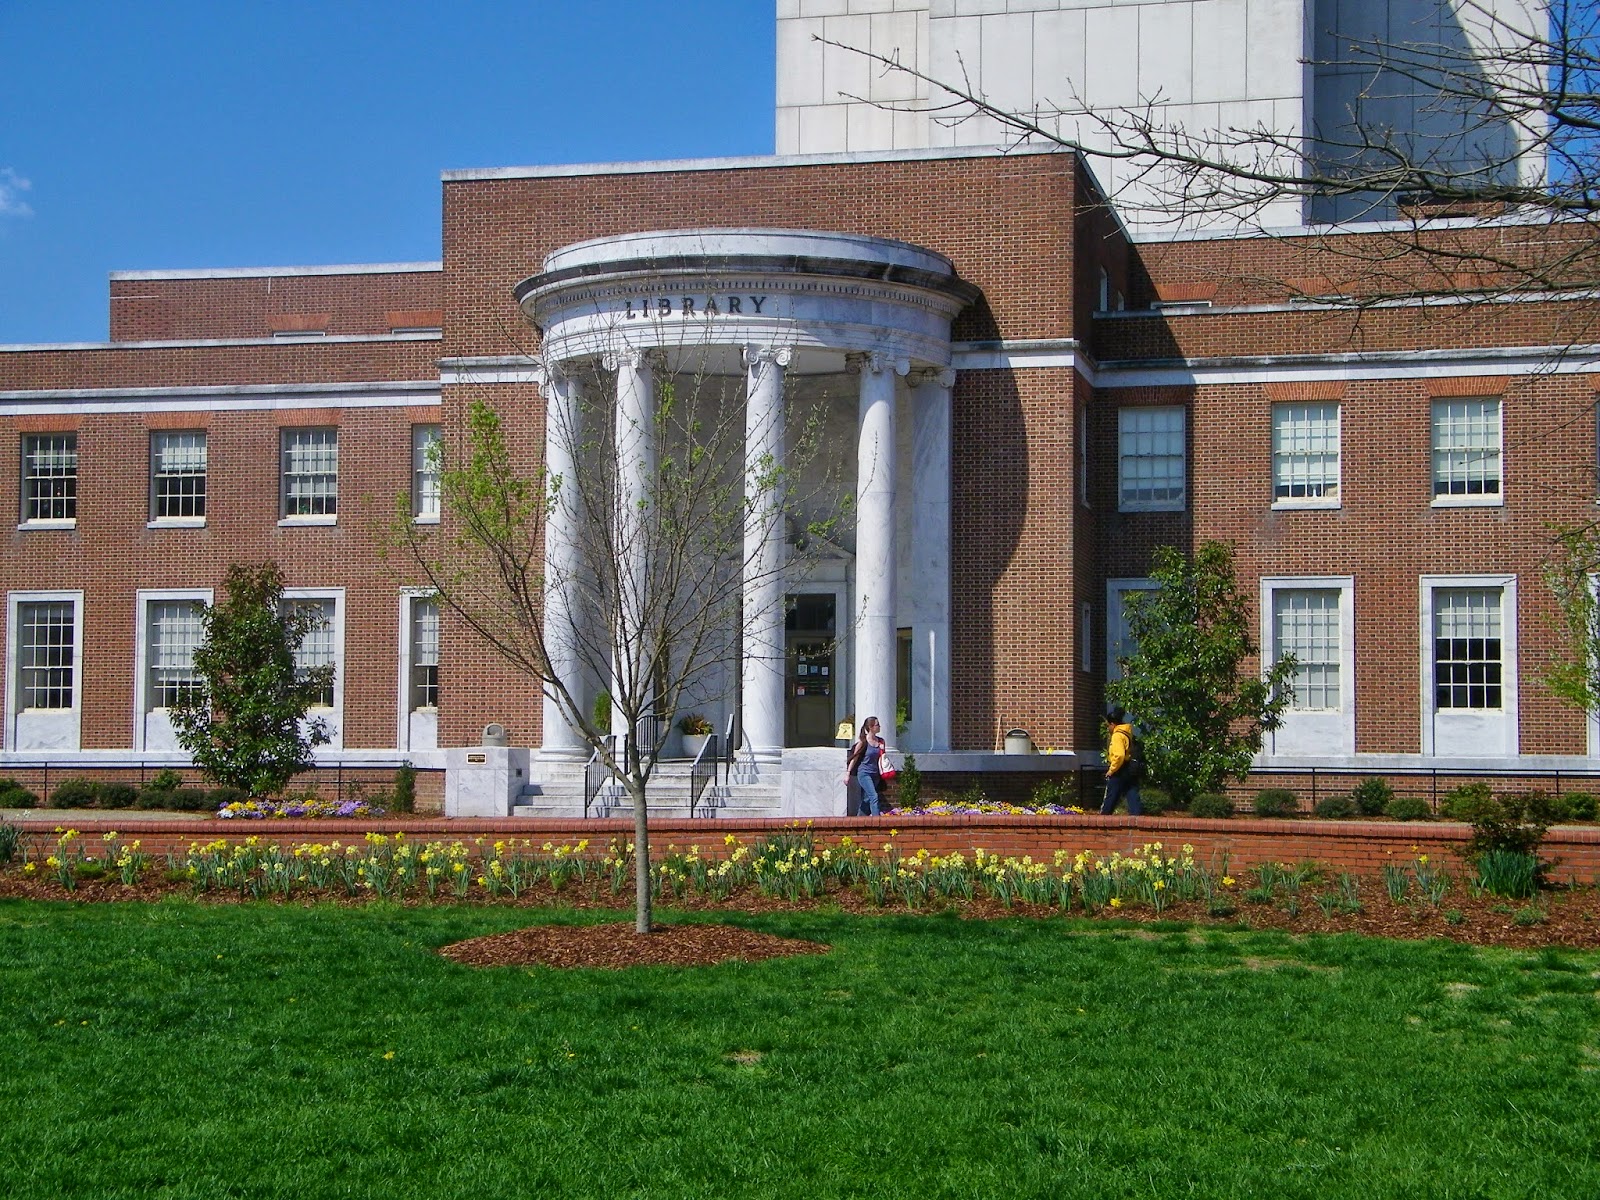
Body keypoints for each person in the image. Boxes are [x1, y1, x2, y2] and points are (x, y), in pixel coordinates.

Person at [1100, 705, 1143, 816]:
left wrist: (1111, 770)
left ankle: (1103, 820)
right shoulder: (1127, 733)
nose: (1108, 728)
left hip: (1119, 769)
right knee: (1131, 792)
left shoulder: (1117, 736)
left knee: (1111, 796)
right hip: (1129, 768)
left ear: (1113, 724)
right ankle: (1137, 819)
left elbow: (1119, 755)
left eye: (1108, 725)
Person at [845, 715, 888, 816]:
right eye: (877, 725)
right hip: (864, 773)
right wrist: (848, 774)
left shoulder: (881, 741)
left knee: (867, 799)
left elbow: (882, 759)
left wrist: (882, 749)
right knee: (874, 796)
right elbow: (854, 759)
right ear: (871, 727)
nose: (880, 726)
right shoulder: (863, 742)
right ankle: (877, 823)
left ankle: (859, 822)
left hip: (876, 774)